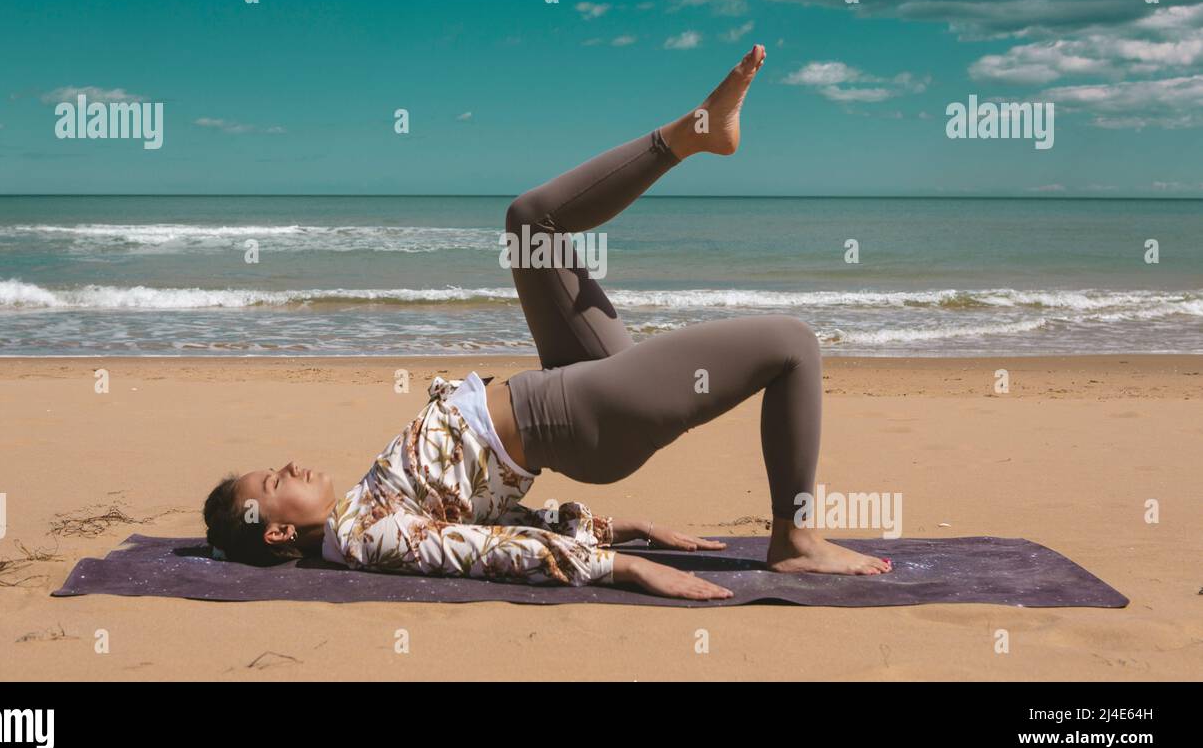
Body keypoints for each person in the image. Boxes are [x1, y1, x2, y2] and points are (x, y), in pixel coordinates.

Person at [204, 45, 892, 600]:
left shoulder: (365, 507)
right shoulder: (362, 537)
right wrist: (620, 568)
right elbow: (482, 553)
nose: (288, 466)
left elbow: (494, 518)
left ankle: (693, 134)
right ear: (273, 534)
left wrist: (616, 527)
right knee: (794, 345)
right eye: (272, 483)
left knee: (528, 223)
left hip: (565, 392)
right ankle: (794, 541)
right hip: (576, 417)